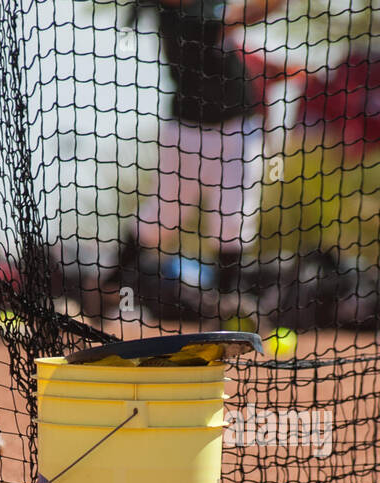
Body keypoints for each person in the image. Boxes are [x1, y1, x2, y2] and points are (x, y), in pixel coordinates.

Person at [113, 0, 284, 308]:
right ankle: (112, 290)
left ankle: (226, 301)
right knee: (159, 221)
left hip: (238, 126)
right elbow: (249, 13)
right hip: (187, 133)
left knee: (234, 220)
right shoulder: (177, 18)